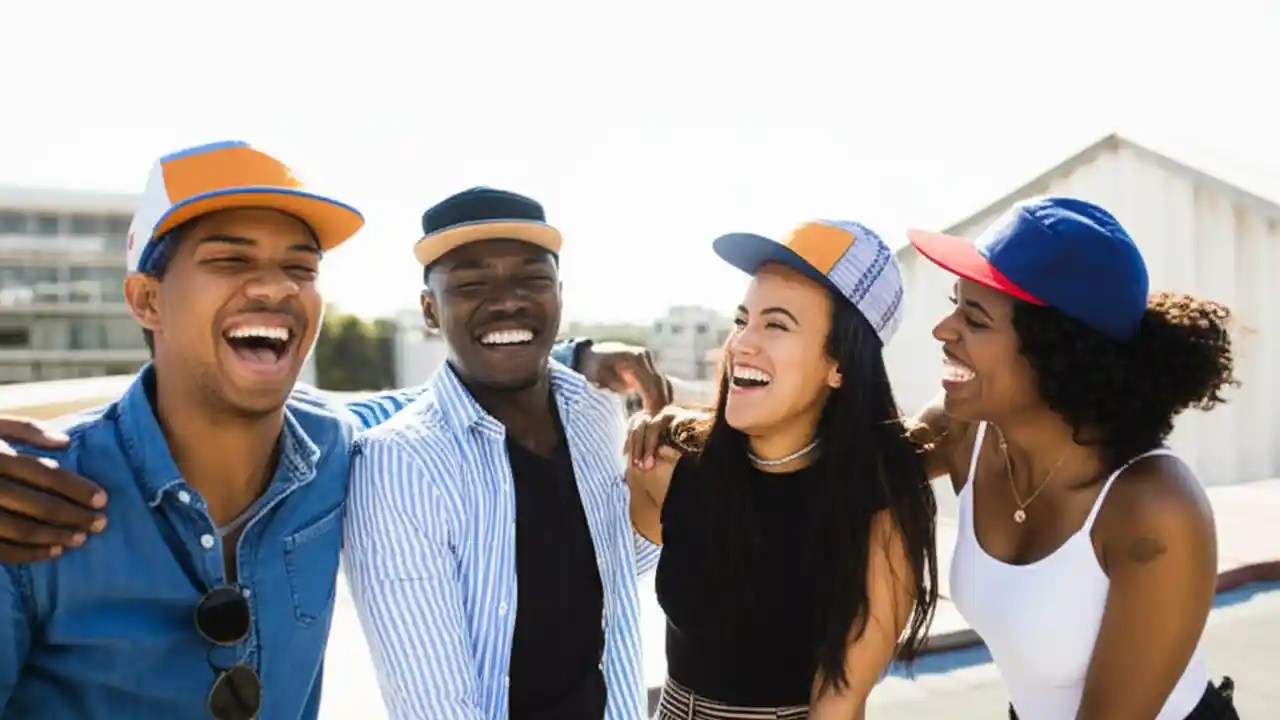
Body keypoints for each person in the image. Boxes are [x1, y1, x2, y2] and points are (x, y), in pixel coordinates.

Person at [0, 146, 671, 719]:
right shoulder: (31, 494)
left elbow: (458, 402)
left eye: (300, 268)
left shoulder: (335, 447)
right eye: (230, 261)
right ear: (147, 299)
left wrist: (569, 357)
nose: (274, 288)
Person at [905, 197, 1239, 719]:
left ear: (1056, 353)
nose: (943, 330)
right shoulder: (964, 430)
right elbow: (846, 474)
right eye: (955, 305)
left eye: (975, 319)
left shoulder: (1152, 507)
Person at [340, 186, 662, 720]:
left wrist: (665, 492)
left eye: (532, 280)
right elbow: (437, 708)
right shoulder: (399, 464)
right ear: (430, 310)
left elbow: (613, 570)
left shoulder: (597, 412)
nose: (508, 301)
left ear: (559, 295)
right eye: (471, 285)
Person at [626, 220, 939, 719]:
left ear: (840, 364)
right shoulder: (669, 467)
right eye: (742, 319)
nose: (740, 344)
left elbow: (839, 700)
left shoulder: (878, 508)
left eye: (776, 325)